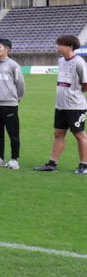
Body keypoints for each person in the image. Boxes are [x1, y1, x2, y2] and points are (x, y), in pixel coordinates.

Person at [34, 35, 87, 174]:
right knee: (58, 133)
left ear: (69, 46)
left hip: (75, 106)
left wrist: (77, 92)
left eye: (60, 45)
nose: (58, 47)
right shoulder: (61, 61)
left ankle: (84, 165)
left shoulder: (79, 62)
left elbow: (86, 82)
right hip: (60, 105)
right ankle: (52, 164)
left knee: (79, 134)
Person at [0, 39, 24, 169]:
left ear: (7, 49)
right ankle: (0, 158)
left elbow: (20, 85)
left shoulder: (14, 66)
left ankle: (14, 159)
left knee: (13, 134)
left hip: (9, 104)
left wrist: (15, 99)